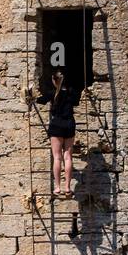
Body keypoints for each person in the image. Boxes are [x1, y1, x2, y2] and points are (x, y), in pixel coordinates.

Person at [44, 66, 77, 198]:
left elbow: (39, 100)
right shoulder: (71, 92)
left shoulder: (52, 93)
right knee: (68, 157)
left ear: (54, 80)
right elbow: (76, 101)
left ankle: (57, 187)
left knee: (57, 157)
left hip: (56, 125)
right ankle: (67, 187)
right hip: (69, 124)